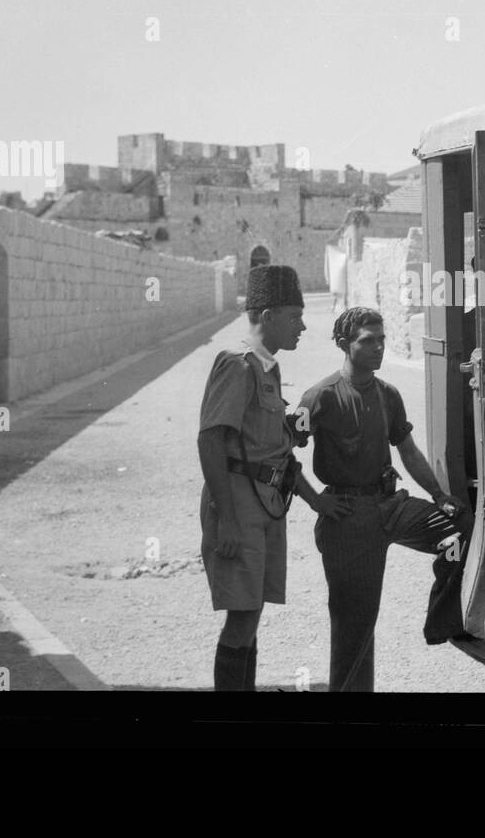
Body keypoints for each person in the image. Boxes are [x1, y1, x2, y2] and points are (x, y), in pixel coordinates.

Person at [293, 307, 472, 692]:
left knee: (458, 528)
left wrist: (439, 495)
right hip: (347, 518)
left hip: (391, 507)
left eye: (381, 339)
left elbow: (407, 450)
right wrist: (315, 501)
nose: (377, 347)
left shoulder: (388, 394)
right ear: (344, 344)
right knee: (355, 626)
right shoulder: (320, 397)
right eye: (367, 341)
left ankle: (443, 622)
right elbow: (279, 450)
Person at [197, 264, 319, 691]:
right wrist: (226, 518)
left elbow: (277, 453)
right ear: (267, 317)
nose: (302, 326)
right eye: (293, 316)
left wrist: (317, 501)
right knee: (242, 616)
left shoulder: (267, 369)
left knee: (251, 614)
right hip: (237, 503)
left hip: (263, 504)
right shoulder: (238, 365)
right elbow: (211, 441)